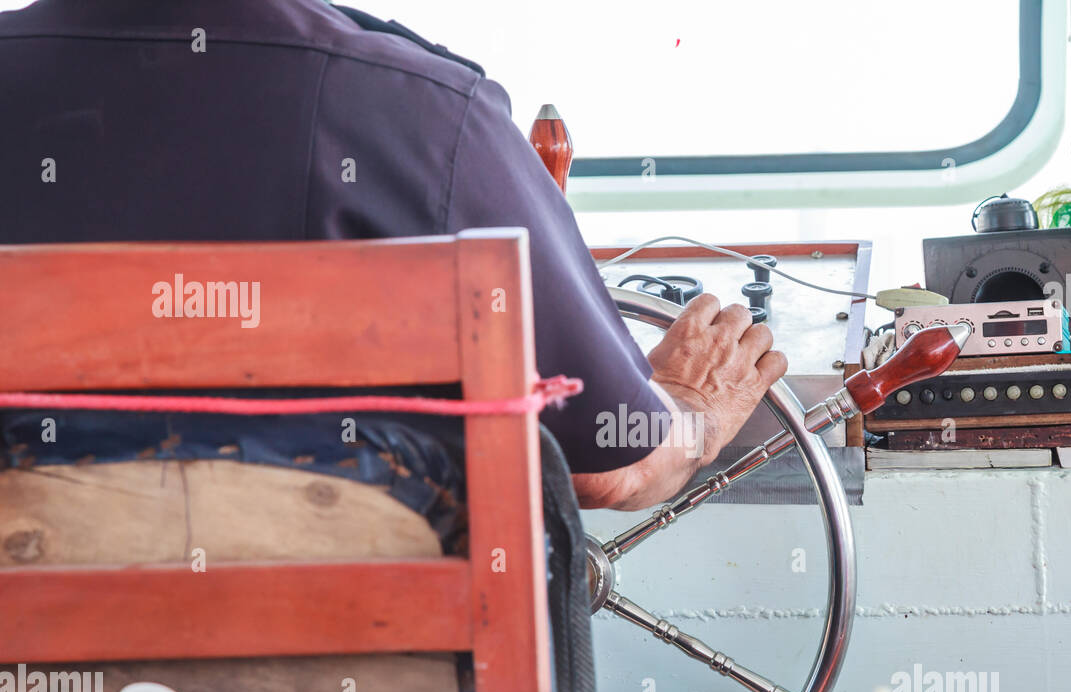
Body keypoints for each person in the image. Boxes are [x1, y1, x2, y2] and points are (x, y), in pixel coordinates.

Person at [0, 0, 785, 510]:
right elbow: (608, 466)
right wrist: (692, 404)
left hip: (28, 688)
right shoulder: (429, 117)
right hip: (355, 687)